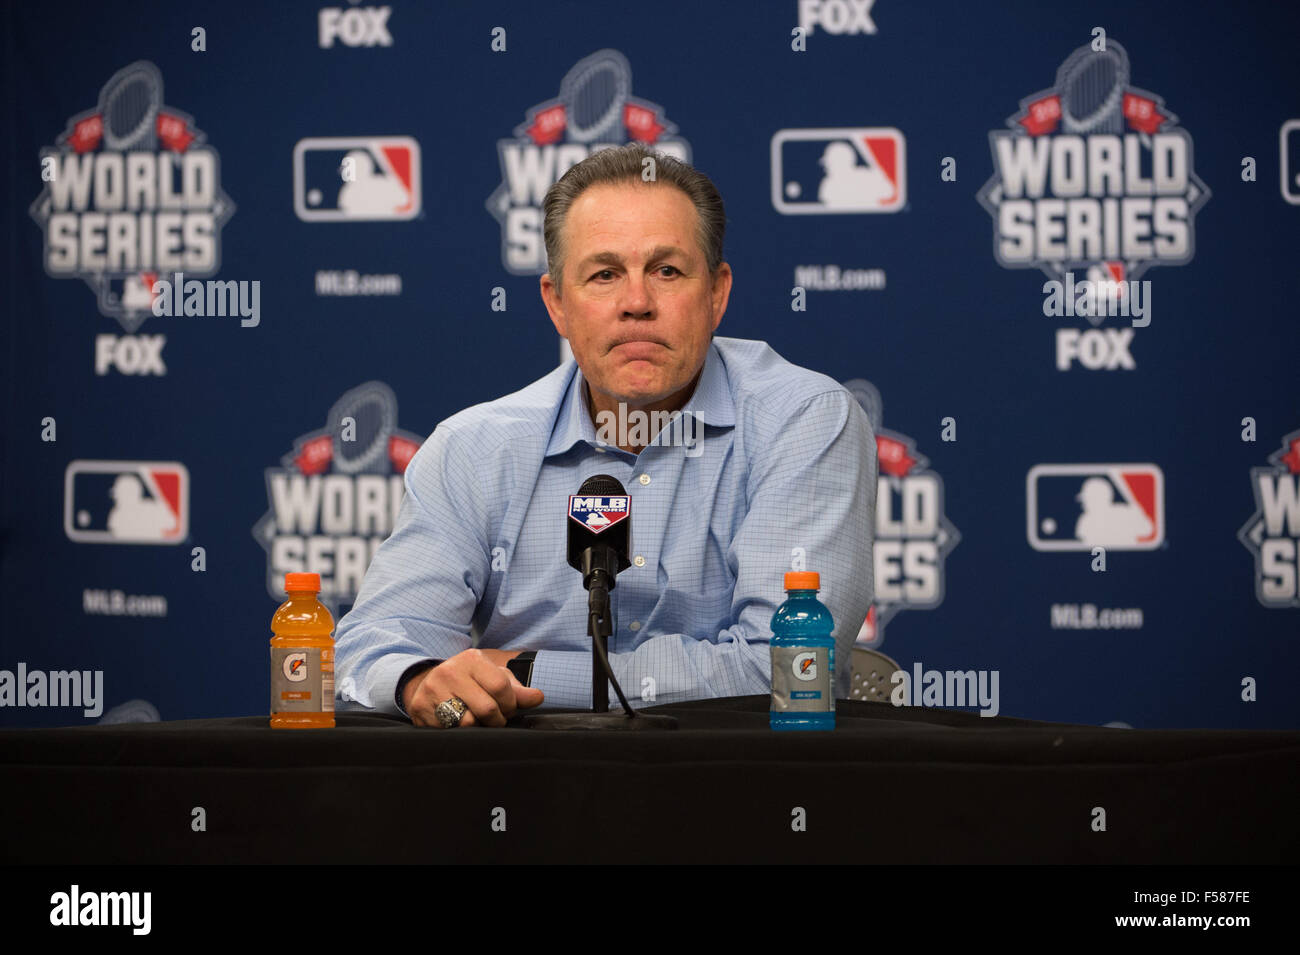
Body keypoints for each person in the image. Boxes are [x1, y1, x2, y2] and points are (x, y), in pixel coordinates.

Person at [334, 143, 876, 728]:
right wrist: (420, 679)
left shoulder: (805, 420)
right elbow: (372, 649)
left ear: (717, 294)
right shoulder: (473, 449)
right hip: (528, 798)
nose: (637, 304)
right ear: (557, 304)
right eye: (604, 274)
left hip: (745, 790)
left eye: (667, 271)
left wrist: (525, 674)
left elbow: (783, 667)